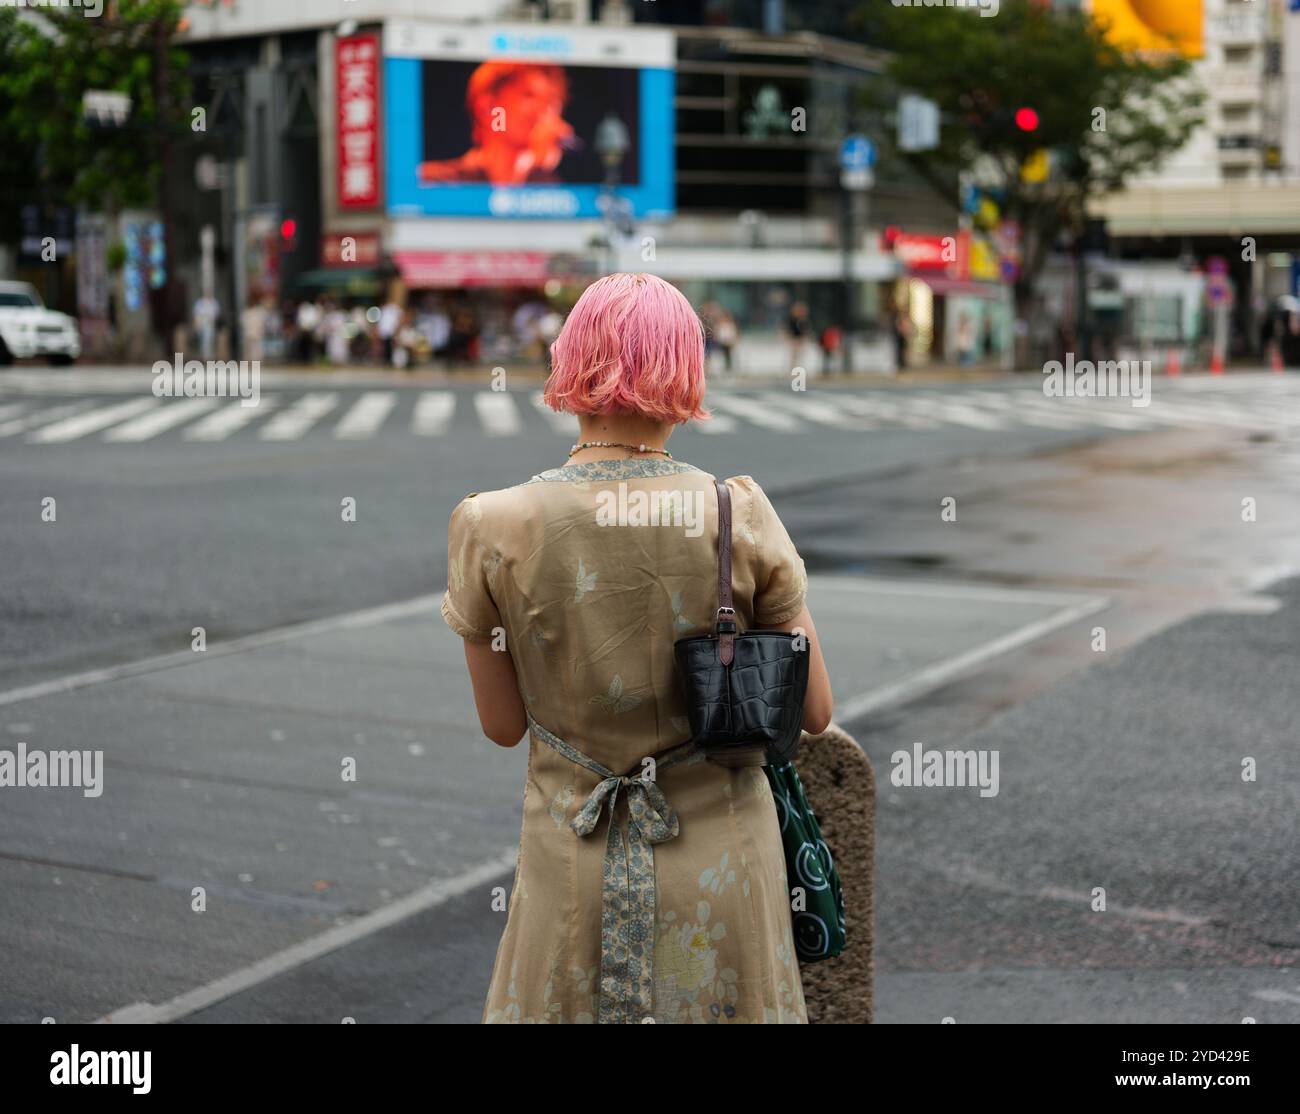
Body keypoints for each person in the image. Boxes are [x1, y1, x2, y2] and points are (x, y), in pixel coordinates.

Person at [441, 273, 834, 1024]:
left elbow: (501, 725)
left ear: (572, 365)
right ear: (686, 369)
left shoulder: (494, 525)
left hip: (571, 868)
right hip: (723, 876)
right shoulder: (736, 513)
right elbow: (814, 710)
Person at [417, 62, 574, 186]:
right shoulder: (434, 181)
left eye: (552, 101)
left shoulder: (550, 186)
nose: (544, 111)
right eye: (528, 96)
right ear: (488, 108)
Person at [784, 300, 812, 370]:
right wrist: (788, 338)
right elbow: (787, 329)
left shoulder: (803, 320)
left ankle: (799, 368)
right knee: (794, 355)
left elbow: (805, 330)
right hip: (794, 338)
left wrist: (804, 338)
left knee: (801, 354)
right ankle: (793, 368)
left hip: (800, 338)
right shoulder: (791, 319)